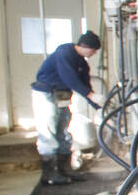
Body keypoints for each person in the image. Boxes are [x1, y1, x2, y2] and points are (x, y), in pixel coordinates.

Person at [32, 30, 102, 185]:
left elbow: (84, 84)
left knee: (63, 131)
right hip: (46, 94)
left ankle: (65, 170)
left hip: (62, 96)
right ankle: (49, 174)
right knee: (48, 131)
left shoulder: (81, 62)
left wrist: (98, 106)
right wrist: (90, 95)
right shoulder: (64, 53)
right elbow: (68, 77)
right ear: (85, 46)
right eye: (94, 49)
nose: (95, 53)